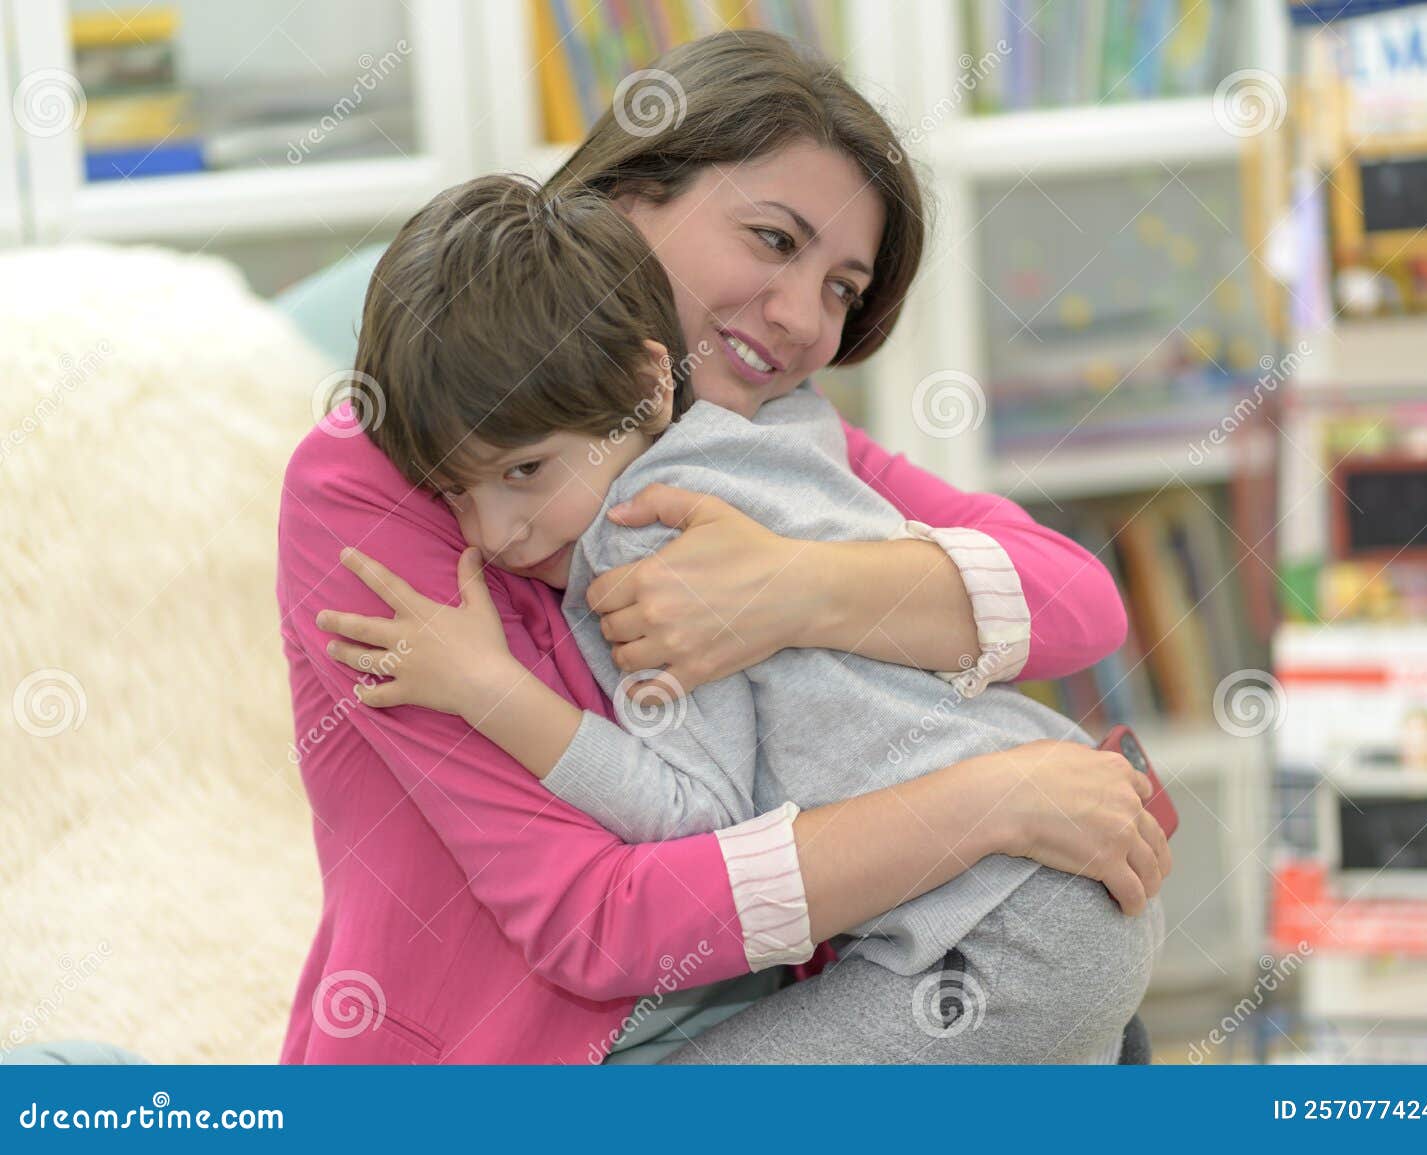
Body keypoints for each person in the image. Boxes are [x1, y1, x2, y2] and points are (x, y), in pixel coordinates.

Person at [288, 30, 1169, 1064]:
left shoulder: (762, 436)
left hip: (825, 987)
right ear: (622, 200)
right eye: (773, 240)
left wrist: (796, 589)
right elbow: (594, 924)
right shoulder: (382, 471)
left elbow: (1078, 602)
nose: (802, 319)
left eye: (844, 287)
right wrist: (983, 803)